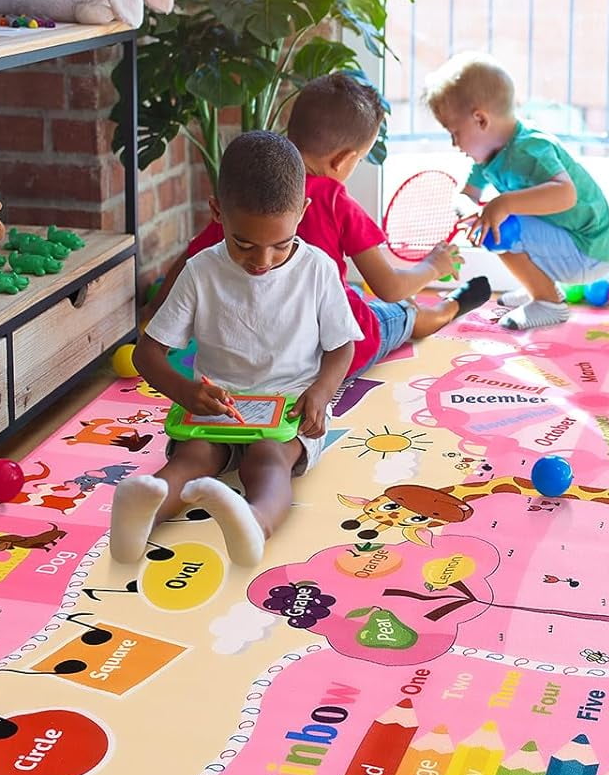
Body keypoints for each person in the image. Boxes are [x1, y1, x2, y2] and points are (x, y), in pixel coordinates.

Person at [114, 131, 359, 566]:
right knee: (192, 459)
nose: (261, 260)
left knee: (267, 462)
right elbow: (146, 354)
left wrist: (320, 393)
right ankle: (140, 517)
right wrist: (186, 392)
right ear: (217, 213)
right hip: (216, 403)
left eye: (280, 244)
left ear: (302, 213)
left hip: (289, 406)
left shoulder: (318, 270)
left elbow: (341, 349)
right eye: (243, 243)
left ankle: (254, 522)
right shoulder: (200, 271)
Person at [148, 73, 490, 376]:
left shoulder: (249, 201)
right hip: (332, 354)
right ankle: (449, 308)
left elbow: (190, 259)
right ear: (343, 160)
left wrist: (151, 315)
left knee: (350, 293)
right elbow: (390, 286)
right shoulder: (335, 200)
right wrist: (433, 266)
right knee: (402, 312)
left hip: (267, 359)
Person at [423, 52, 609, 330]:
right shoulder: (488, 155)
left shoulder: (531, 148)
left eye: (455, 132)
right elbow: (467, 194)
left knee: (501, 228)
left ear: (480, 120)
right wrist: (473, 212)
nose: (454, 143)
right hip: (566, 244)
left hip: (587, 251)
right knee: (496, 223)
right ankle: (541, 287)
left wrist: (504, 204)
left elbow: (566, 194)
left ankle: (548, 302)